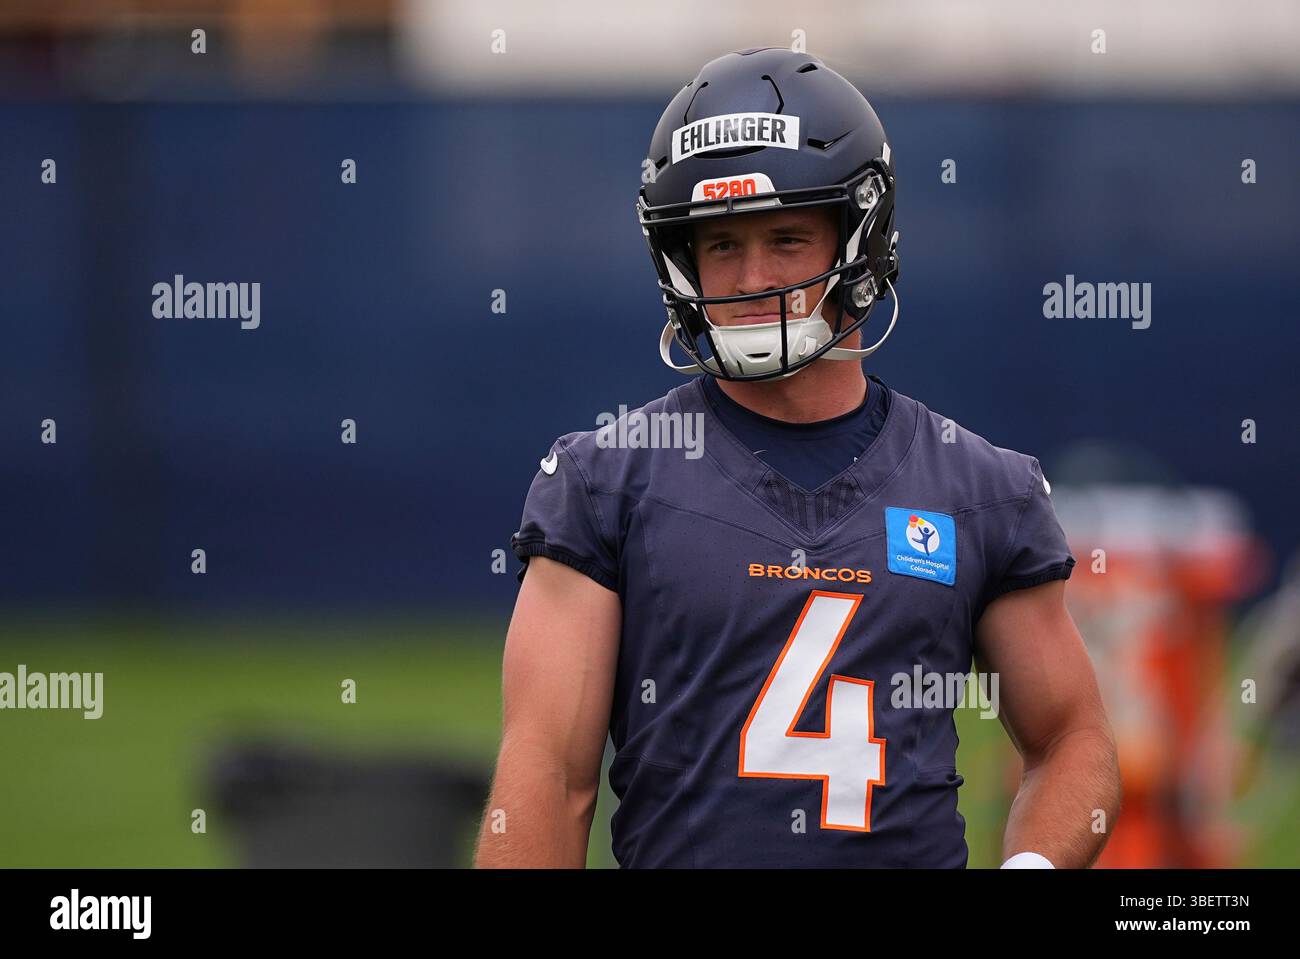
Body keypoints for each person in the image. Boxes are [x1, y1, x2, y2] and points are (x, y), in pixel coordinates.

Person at [475, 47, 1119, 868]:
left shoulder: (979, 488)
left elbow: (1073, 739)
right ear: (680, 262)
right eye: (720, 246)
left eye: (786, 238)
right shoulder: (609, 482)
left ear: (860, 236)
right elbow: (549, 778)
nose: (752, 279)